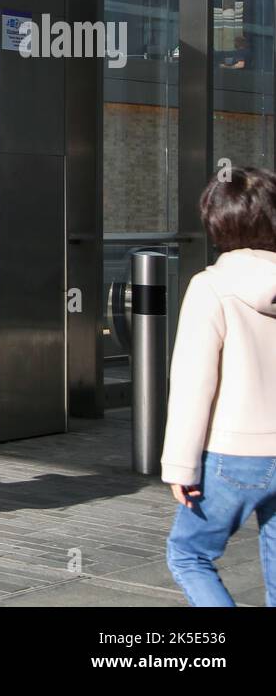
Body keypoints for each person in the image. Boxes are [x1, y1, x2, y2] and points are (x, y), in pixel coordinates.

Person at [162, 166, 276, 606]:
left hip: (234, 455)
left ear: (216, 222)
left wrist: (179, 466)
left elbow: (194, 385)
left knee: (189, 555)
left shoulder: (211, 287)